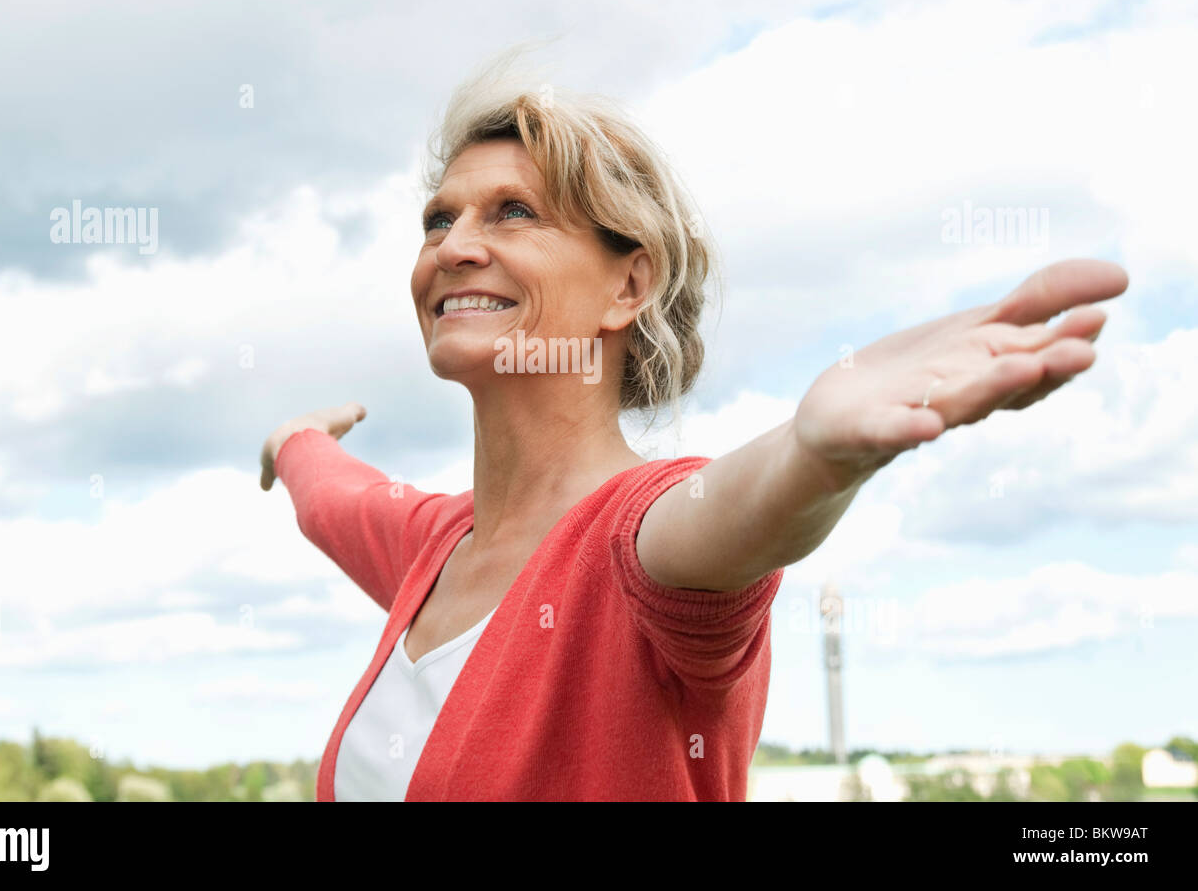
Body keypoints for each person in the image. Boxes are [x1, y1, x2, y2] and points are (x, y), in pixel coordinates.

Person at [259, 48, 1129, 801]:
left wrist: (813, 456)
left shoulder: (644, 535)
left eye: (512, 212)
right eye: (439, 219)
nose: (451, 246)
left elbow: (727, 516)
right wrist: (295, 441)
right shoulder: (433, 543)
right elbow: (330, 493)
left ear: (627, 287)